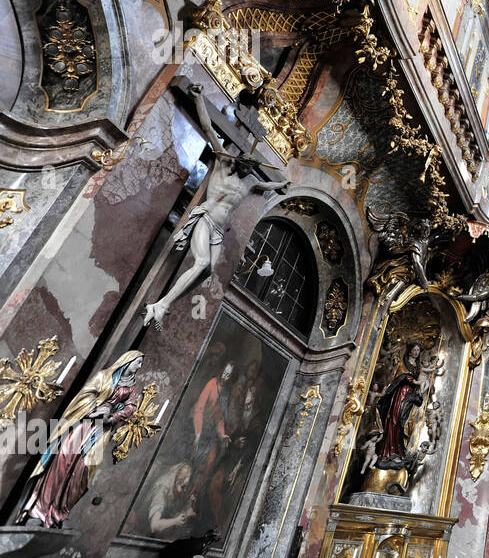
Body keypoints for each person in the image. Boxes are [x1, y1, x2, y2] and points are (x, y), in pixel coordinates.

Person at [143, 86, 288, 329]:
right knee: (200, 263)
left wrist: (282, 183)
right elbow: (209, 128)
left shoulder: (247, 184)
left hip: (219, 230)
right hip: (206, 218)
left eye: (249, 171)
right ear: (239, 162)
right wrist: (199, 97)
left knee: (208, 269)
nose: (246, 172)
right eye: (244, 168)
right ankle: (161, 305)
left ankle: (164, 304)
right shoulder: (223, 164)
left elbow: (263, 185)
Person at [19, 351, 144, 527]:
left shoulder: (131, 386)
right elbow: (86, 394)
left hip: (101, 430)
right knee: (62, 460)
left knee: (84, 469)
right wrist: (97, 409)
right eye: (137, 362)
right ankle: (39, 509)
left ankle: (60, 512)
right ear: (127, 361)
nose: (139, 367)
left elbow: (131, 407)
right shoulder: (104, 376)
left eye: (140, 364)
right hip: (83, 424)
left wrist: (113, 417)